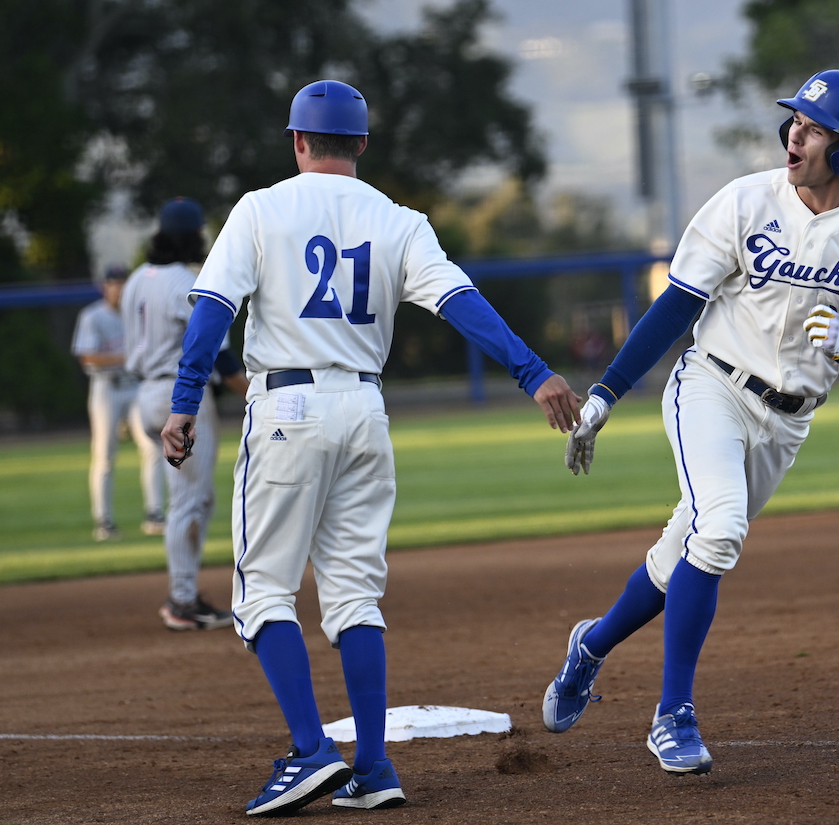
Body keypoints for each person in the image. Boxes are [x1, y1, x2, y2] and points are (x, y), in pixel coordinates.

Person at [160, 79, 582, 816]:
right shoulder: (399, 220)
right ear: (360, 144)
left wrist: (185, 399)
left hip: (286, 404)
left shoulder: (261, 208)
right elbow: (461, 302)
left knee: (262, 594)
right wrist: (533, 371)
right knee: (354, 594)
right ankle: (375, 766)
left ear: (296, 141)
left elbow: (212, 312)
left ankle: (312, 751)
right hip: (365, 408)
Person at [542, 69, 839, 776]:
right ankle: (673, 716)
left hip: (787, 423)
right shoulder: (746, 201)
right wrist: (604, 396)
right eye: (795, 122)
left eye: (813, 129)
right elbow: (673, 307)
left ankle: (591, 646)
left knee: (681, 551)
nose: (794, 134)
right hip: (712, 386)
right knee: (719, 529)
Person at [123, 197, 249, 631]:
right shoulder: (185, 282)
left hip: (146, 393)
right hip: (181, 398)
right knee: (189, 500)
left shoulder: (138, 278)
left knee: (195, 498)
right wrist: (258, 394)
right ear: (192, 236)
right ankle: (181, 601)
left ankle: (185, 593)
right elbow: (222, 357)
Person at [71, 265, 165, 541]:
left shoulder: (137, 314)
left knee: (153, 447)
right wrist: (127, 358)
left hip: (135, 387)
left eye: (123, 283)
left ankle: (155, 514)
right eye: (115, 283)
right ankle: (104, 521)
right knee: (104, 455)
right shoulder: (93, 315)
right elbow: (87, 358)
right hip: (106, 389)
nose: (119, 288)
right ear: (105, 287)